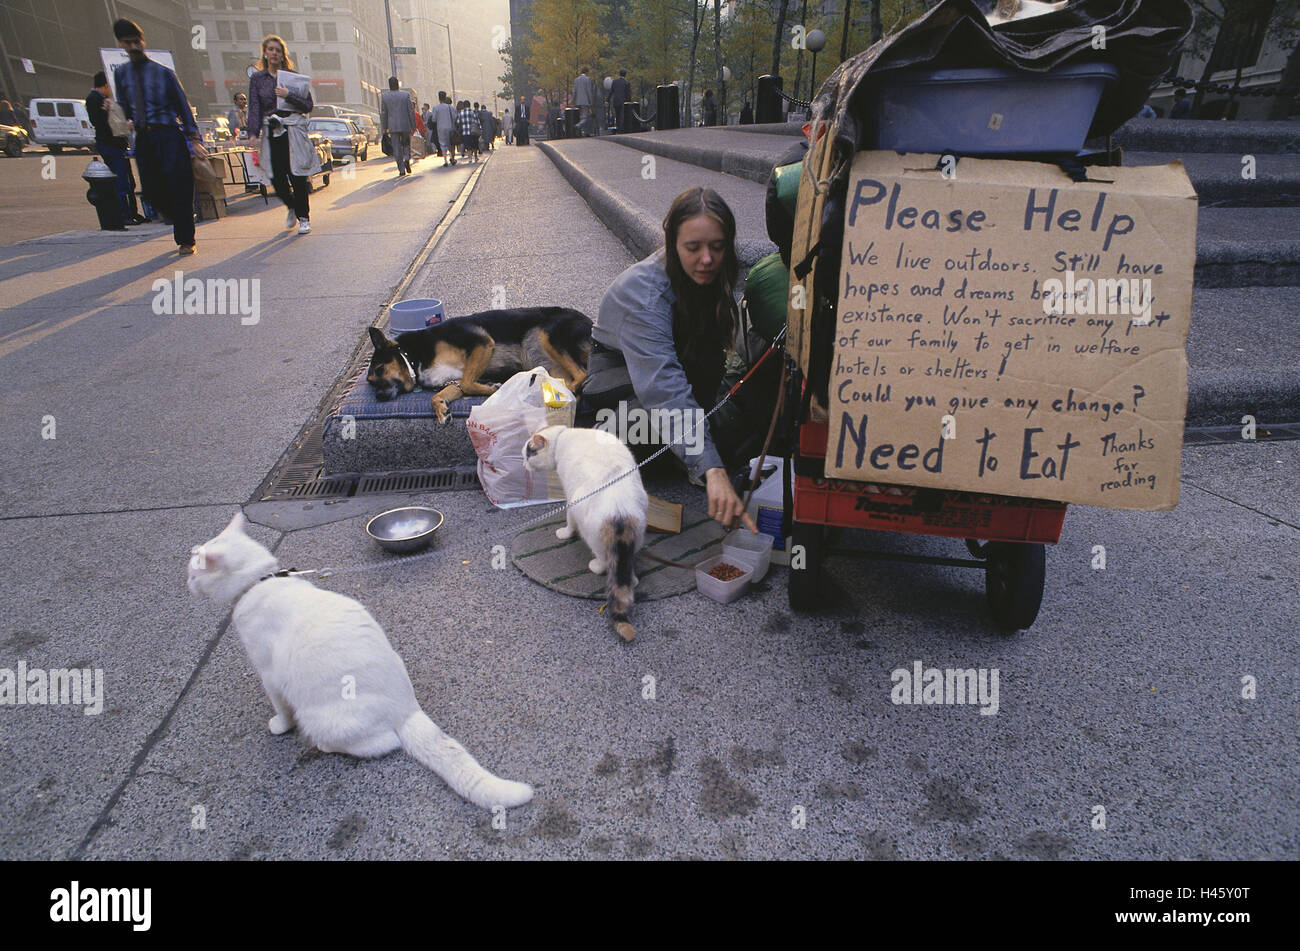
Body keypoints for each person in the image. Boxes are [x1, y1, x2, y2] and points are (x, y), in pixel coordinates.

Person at [584, 187, 774, 533]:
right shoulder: (643, 293)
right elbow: (664, 388)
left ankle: (684, 447)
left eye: (717, 247)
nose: (707, 260)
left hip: (679, 365)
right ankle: (602, 440)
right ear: (672, 243)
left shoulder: (716, 266)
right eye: (693, 248)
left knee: (737, 430)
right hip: (619, 375)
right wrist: (711, 469)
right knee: (637, 431)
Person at [112, 18, 200, 256]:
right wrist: (125, 118)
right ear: (120, 44)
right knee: (151, 191)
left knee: (180, 185)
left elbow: (183, 105)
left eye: (136, 42)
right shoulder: (121, 75)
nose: (133, 47)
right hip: (144, 137)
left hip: (168, 134)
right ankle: (178, 213)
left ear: (143, 41)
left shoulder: (164, 73)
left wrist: (194, 138)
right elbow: (123, 104)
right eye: (127, 43)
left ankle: (185, 238)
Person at [248, 33, 318, 234]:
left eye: (278, 50)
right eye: (270, 49)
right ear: (265, 53)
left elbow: (308, 105)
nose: (274, 53)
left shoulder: (292, 77)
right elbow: (254, 107)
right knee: (277, 178)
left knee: (298, 175)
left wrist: (289, 95)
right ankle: (291, 205)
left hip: (293, 129)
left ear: (283, 54)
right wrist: (253, 133)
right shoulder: (257, 79)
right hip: (272, 130)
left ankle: (303, 217)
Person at [86, 71, 143, 225]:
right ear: (105, 85)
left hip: (116, 144)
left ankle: (132, 212)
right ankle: (124, 214)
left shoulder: (104, 99)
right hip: (111, 144)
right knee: (121, 181)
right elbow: (103, 123)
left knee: (128, 180)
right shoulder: (95, 99)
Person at [380, 75, 416, 177]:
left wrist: (384, 127)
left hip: (393, 126)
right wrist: (413, 124)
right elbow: (410, 111)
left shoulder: (385, 97)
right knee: (406, 144)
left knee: (396, 147)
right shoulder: (405, 95)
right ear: (398, 85)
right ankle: (407, 158)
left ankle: (401, 169)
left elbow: (384, 113)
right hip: (405, 125)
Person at [432, 91, 456, 166]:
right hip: (450, 127)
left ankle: (445, 160)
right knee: (450, 143)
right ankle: (452, 157)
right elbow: (455, 117)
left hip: (440, 128)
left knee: (443, 144)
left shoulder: (436, 108)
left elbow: (434, 119)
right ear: (445, 97)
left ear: (439, 98)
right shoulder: (450, 107)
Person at [573, 66, 596, 136]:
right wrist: (590, 101)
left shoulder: (576, 80)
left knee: (581, 116)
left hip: (578, 101)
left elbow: (574, 91)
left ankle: (585, 132)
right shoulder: (587, 79)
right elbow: (588, 91)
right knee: (585, 117)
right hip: (585, 101)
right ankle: (578, 126)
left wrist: (574, 100)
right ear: (586, 72)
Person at [610, 69, 631, 133]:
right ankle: (621, 130)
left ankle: (618, 128)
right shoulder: (626, 83)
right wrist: (629, 102)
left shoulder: (614, 82)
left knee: (617, 115)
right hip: (623, 102)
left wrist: (607, 100)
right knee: (622, 116)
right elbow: (628, 94)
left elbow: (611, 91)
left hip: (616, 101)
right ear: (625, 74)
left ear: (619, 74)